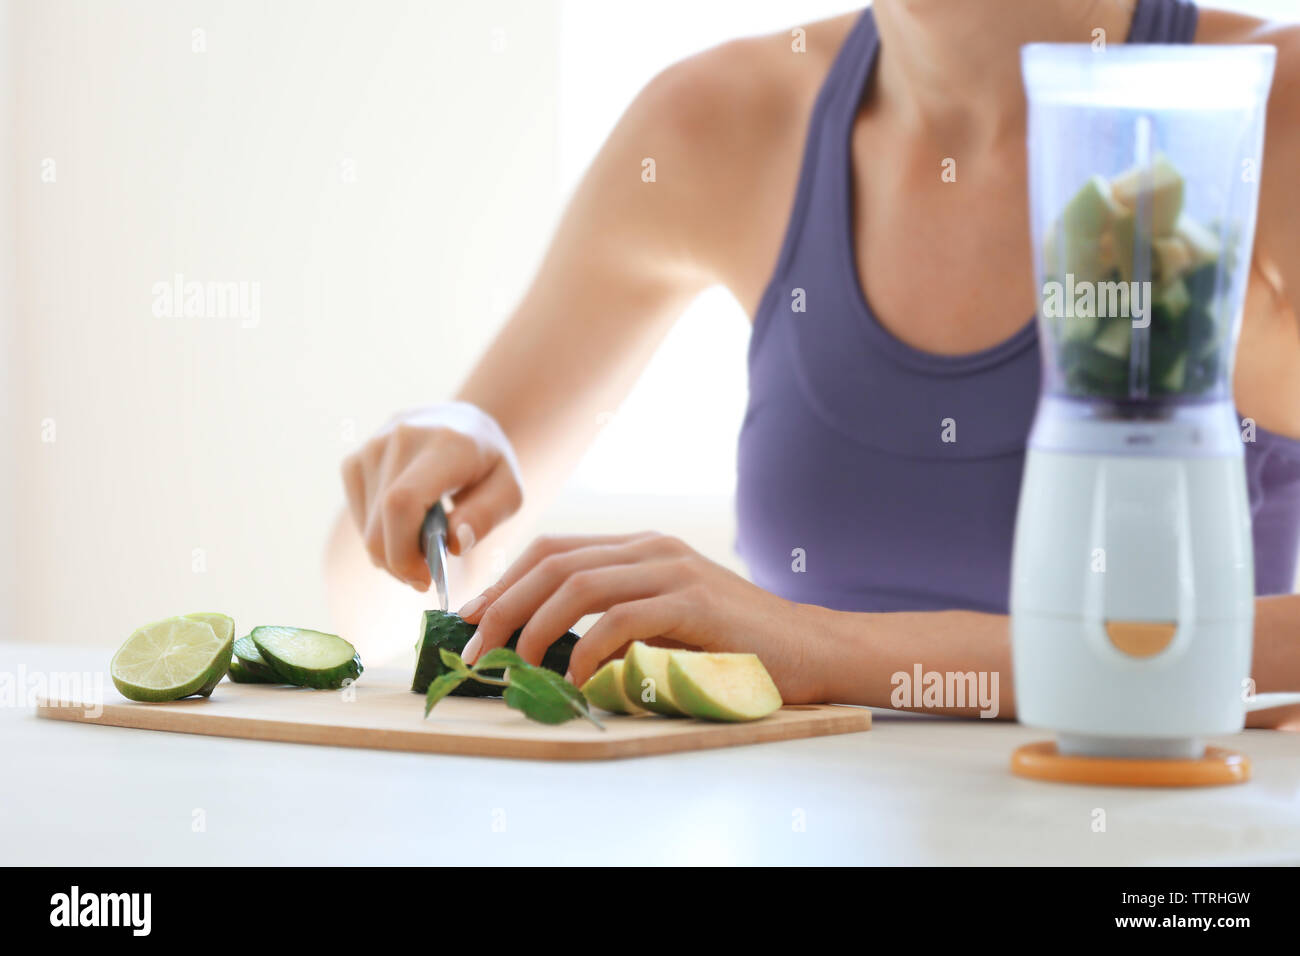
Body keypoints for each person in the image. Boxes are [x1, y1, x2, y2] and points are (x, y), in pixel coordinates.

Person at [329, 0, 1300, 723]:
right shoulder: (715, 122)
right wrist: (429, 484)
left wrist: (831, 647)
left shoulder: (1265, 112)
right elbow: (367, 596)